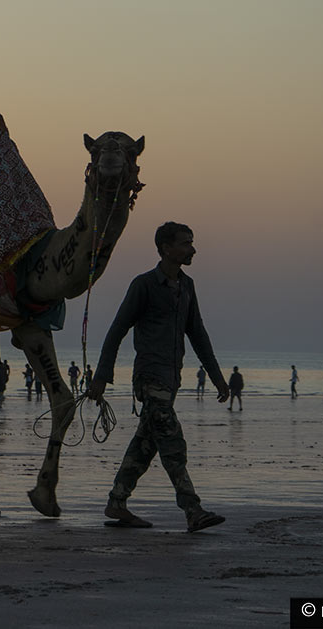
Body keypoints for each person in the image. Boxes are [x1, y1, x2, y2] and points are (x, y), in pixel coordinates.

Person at [87, 221, 229, 533]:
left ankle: (117, 501)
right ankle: (192, 509)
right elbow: (117, 329)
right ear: (166, 248)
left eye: (192, 243)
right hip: (150, 377)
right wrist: (102, 375)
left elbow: (198, 335)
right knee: (172, 441)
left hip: (172, 378)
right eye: (185, 243)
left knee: (146, 443)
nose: (192, 249)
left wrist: (217, 377)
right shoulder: (144, 285)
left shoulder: (187, 286)